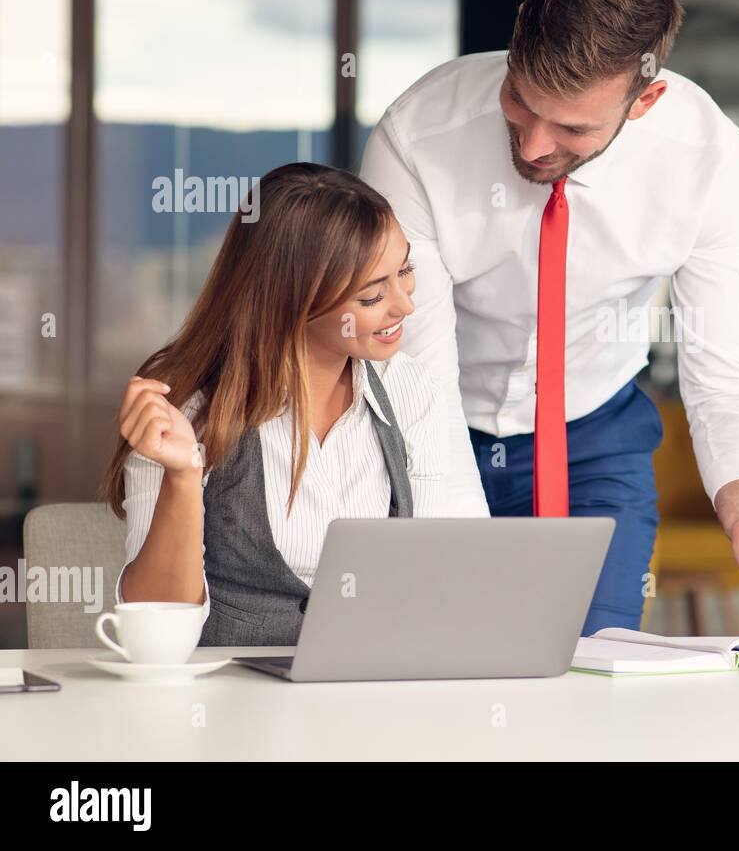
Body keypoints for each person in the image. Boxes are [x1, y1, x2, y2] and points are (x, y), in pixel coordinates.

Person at [360, 0, 739, 640]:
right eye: (520, 103)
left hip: (594, 442)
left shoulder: (707, 161)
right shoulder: (418, 136)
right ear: (517, 33)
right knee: (442, 667)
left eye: (572, 127)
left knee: (592, 672)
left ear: (647, 98)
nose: (537, 145)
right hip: (428, 429)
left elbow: (722, 370)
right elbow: (414, 372)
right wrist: (461, 552)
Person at [100, 163, 489, 646]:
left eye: (404, 270)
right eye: (372, 295)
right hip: (222, 708)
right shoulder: (186, 407)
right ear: (295, 301)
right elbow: (154, 636)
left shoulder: (410, 392)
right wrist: (182, 476)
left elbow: (425, 589)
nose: (405, 305)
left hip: (365, 699)